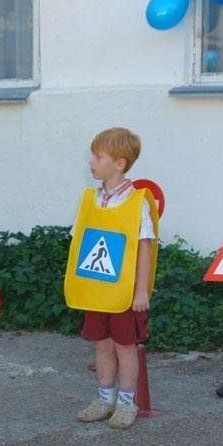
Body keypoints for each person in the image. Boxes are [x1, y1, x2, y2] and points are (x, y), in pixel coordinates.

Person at [66, 127, 159, 429]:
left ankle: (127, 402)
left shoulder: (137, 203)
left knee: (125, 346)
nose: (91, 162)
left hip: (123, 294)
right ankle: (104, 398)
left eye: (97, 156)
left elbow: (144, 249)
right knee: (102, 345)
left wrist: (141, 291)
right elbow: (82, 244)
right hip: (97, 292)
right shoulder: (90, 200)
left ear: (119, 163)